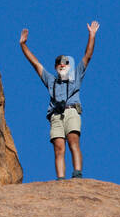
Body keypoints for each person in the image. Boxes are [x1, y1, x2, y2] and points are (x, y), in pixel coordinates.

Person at [19, 22, 100, 180]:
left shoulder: (76, 76)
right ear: (56, 67)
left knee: (73, 142)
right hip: (56, 116)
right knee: (58, 147)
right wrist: (23, 45)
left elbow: (88, 56)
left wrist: (92, 35)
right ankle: (61, 179)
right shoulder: (51, 81)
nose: (62, 65)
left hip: (71, 111)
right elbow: (35, 64)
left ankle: (77, 174)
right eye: (59, 63)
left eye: (65, 63)